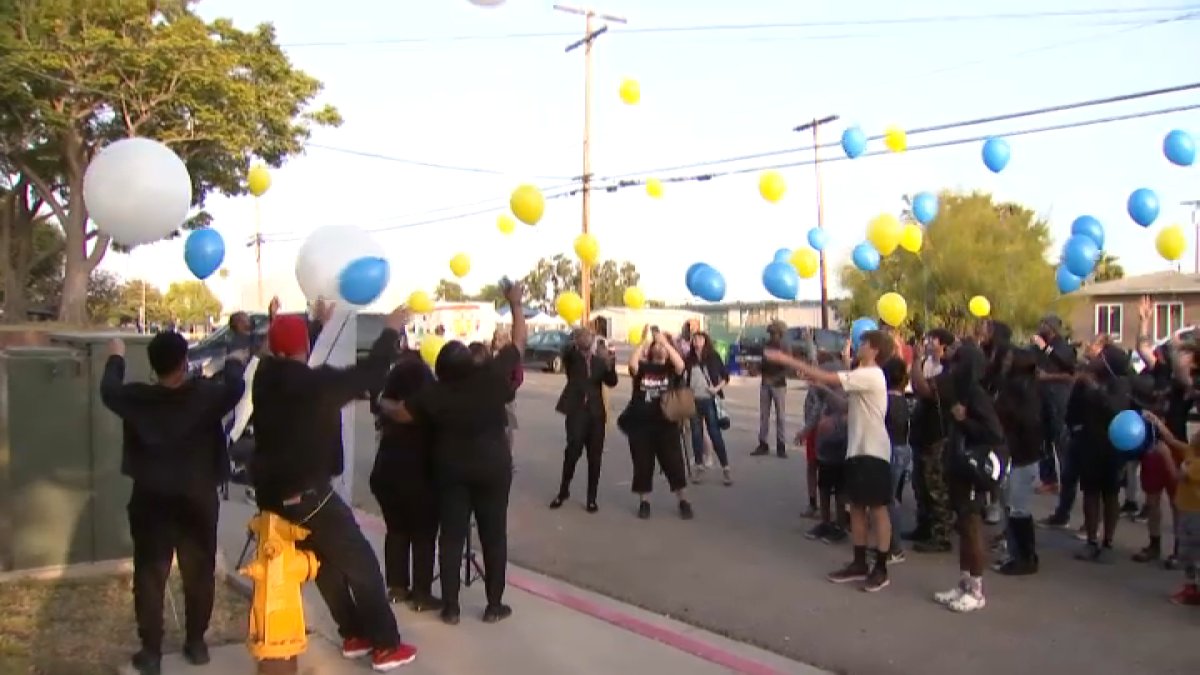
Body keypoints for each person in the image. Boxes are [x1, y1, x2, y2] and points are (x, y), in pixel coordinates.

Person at [251, 307, 417, 671]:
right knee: (362, 565)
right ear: (304, 347)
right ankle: (386, 645)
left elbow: (280, 349)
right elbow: (371, 373)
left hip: (274, 494)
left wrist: (315, 324)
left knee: (325, 563)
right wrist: (390, 331)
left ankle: (354, 633)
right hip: (307, 492)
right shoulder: (316, 385)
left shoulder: (264, 377)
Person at [378, 282, 528, 626]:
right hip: (492, 467)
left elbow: (401, 413)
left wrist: (384, 402)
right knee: (494, 536)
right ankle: (494, 605)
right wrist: (515, 304)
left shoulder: (435, 393)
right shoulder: (491, 377)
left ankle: (451, 607)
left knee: (451, 536)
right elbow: (519, 342)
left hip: (450, 471)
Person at [100, 333, 247, 675]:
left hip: (151, 498)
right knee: (199, 573)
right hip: (197, 498)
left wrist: (116, 357)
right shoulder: (205, 396)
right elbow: (235, 388)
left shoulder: (137, 398)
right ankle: (196, 644)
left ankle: (150, 652)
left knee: (151, 576)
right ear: (184, 363)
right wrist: (236, 360)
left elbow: (109, 390)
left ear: (153, 366)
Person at [765, 330, 895, 592]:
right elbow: (848, 406)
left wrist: (787, 359)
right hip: (857, 451)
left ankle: (880, 568)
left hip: (873, 453)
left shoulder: (870, 374)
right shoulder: (862, 376)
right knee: (856, 508)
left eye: (865, 343)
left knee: (877, 510)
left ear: (875, 350)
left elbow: (825, 374)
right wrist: (822, 387)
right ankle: (859, 563)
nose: (859, 345)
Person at [930, 342, 1005, 612]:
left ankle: (976, 589)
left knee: (972, 526)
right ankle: (963, 583)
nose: (953, 366)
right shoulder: (960, 391)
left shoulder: (975, 394)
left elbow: (994, 434)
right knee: (963, 525)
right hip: (958, 467)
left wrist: (964, 420)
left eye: (958, 361)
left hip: (973, 469)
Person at [370, 339, 441, 612]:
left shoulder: (388, 408)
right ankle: (422, 593)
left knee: (396, 530)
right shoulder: (426, 406)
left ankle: (397, 586)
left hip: (387, 475)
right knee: (424, 535)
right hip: (420, 477)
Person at [623, 326, 694, 520]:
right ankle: (644, 502)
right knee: (643, 465)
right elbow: (632, 364)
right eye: (657, 346)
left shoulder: (671, 369)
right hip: (641, 425)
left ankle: (683, 501)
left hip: (666, 425)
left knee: (674, 464)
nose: (660, 348)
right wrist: (644, 342)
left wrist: (664, 341)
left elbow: (680, 365)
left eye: (663, 346)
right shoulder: (643, 368)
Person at [1072, 345, 1134, 563]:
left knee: (1110, 494)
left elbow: (1115, 410)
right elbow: (1073, 409)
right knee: (1090, 492)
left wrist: (1094, 390)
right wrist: (1075, 427)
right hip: (1089, 443)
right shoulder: (1085, 381)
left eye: (1101, 356)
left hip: (1112, 446)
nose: (1095, 358)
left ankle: (1108, 540)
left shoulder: (1120, 384)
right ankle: (1091, 540)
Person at [550, 327, 619, 512]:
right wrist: (575, 337)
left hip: (596, 413)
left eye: (590, 336)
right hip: (576, 410)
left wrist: (610, 363)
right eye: (584, 336)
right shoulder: (572, 358)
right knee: (573, 450)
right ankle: (564, 490)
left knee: (595, 456)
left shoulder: (599, 361)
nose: (588, 339)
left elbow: (612, 382)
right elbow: (566, 350)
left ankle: (591, 498)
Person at [994, 348, 1044, 576]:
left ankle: (1025, 557)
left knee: (1018, 508)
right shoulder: (1017, 387)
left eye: (1010, 359)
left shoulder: (1022, 390)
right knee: (1012, 506)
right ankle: (1017, 553)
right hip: (1018, 454)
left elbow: (1027, 422)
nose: (1005, 362)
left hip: (1023, 456)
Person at [907, 329, 957, 553]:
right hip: (921, 431)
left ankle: (941, 534)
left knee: (935, 485)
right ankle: (924, 526)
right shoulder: (926, 364)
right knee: (920, 483)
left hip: (938, 434)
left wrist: (916, 360)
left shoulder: (949, 369)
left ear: (943, 345)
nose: (926, 343)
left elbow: (924, 389)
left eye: (932, 340)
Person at [1142, 413, 1200, 605]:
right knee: (1188, 553)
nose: (1195, 435)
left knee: (1191, 553)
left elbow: (1176, 476)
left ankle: (1192, 589)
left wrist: (1165, 456)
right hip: (1187, 511)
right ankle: (1191, 587)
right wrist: (1157, 423)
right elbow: (1173, 441)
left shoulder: (1196, 464)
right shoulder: (1192, 451)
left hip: (1195, 515)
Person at [1033, 315, 1077, 494]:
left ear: (1051, 327)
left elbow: (1069, 370)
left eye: (1043, 324)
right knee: (1043, 440)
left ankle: (1068, 479)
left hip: (1058, 397)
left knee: (1061, 440)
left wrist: (1046, 349)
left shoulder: (1063, 347)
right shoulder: (1037, 346)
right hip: (1041, 397)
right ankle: (1049, 479)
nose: (1039, 326)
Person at [685, 331, 733, 485]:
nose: (697, 341)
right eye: (695, 339)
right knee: (696, 435)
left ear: (706, 341)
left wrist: (716, 389)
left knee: (715, 434)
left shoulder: (713, 356)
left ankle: (726, 468)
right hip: (693, 401)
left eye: (700, 338)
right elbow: (683, 377)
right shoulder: (689, 359)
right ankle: (699, 467)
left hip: (709, 400)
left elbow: (726, 377)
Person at [881, 356, 912, 564]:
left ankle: (895, 546)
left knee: (888, 500)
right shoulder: (905, 400)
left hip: (891, 450)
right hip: (904, 450)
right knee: (893, 497)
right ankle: (891, 543)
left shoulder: (887, 401)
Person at [753, 321, 790, 458]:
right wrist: (756, 369)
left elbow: (788, 367)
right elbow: (763, 363)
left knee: (780, 416)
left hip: (778, 384)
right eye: (771, 333)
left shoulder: (784, 347)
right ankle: (763, 443)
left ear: (780, 334)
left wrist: (774, 378)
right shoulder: (767, 346)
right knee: (764, 415)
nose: (772, 336)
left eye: (774, 333)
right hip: (766, 383)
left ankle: (781, 446)